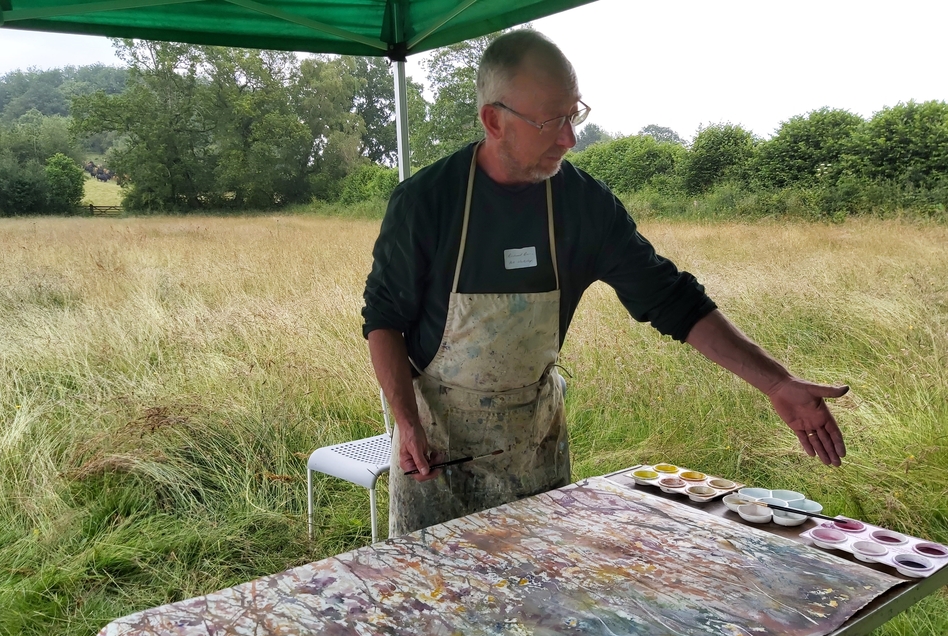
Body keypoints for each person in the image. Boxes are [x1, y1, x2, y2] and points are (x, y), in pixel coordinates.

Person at [362, 29, 848, 538]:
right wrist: (407, 422)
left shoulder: (582, 205)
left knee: (541, 579)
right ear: (494, 121)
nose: (569, 139)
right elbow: (384, 319)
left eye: (574, 114)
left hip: (534, 447)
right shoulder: (427, 203)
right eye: (551, 121)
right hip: (436, 448)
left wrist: (776, 382)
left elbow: (671, 298)